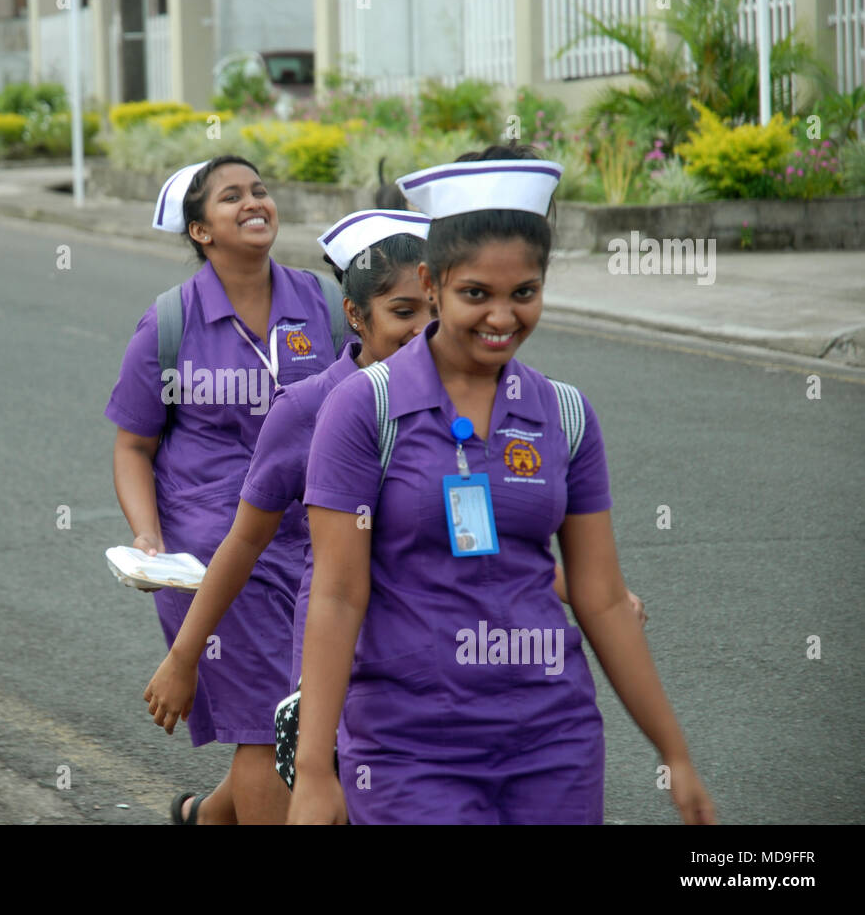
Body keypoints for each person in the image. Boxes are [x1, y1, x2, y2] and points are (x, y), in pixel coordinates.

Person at [289, 145, 714, 825]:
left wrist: (674, 752)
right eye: (475, 295)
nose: (501, 318)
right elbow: (338, 596)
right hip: (408, 750)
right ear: (431, 283)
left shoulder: (566, 414)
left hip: (554, 741)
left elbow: (601, 599)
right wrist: (314, 769)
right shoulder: (362, 409)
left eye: (524, 294)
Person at [142, 211, 433, 783]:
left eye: (438, 311)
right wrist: (184, 657)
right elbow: (244, 540)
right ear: (354, 315)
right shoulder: (307, 408)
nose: (425, 330)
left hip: (436, 653)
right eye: (404, 312)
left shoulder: (461, 407)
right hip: (339, 658)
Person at [108, 156, 346, 825]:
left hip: (317, 542)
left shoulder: (326, 305)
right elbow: (132, 446)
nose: (253, 202)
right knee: (267, 724)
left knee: (323, 710)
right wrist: (148, 534)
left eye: (260, 191)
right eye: (231, 196)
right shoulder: (169, 323)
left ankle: (211, 816)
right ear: (200, 231)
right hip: (217, 554)